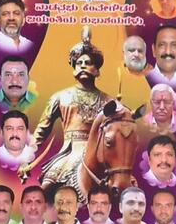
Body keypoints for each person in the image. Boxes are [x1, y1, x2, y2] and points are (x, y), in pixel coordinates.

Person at [25, 31, 112, 199]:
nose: (83, 66)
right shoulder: (60, 97)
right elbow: (42, 130)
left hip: (99, 154)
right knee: (47, 187)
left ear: (97, 70)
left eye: (88, 63)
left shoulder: (109, 101)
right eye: (79, 63)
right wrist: (27, 159)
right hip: (70, 152)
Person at [147, 23, 176, 88]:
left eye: (174, 45)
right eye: (162, 45)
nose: (168, 52)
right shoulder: (144, 80)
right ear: (153, 50)